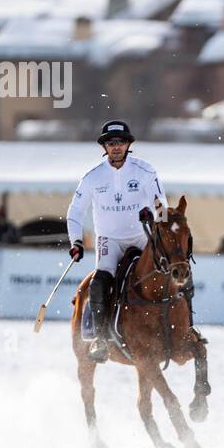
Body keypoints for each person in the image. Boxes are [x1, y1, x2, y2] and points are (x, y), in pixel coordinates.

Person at [67, 120, 167, 362]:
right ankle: (101, 339)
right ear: (104, 147)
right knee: (100, 282)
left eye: (120, 142)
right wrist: (76, 242)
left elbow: (162, 204)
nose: (116, 147)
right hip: (109, 240)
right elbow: (75, 212)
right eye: (111, 143)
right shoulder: (92, 177)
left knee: (168, 273)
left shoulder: (145, 171)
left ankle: (177, 329)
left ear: (128, 144)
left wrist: (153, 214)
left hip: (141, 237)